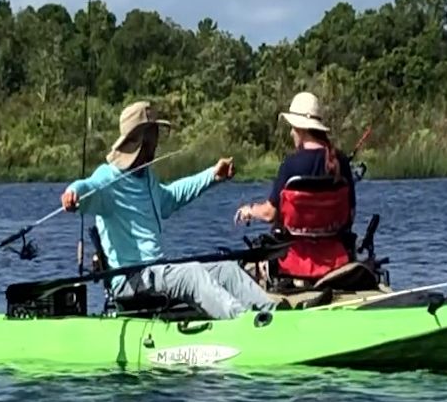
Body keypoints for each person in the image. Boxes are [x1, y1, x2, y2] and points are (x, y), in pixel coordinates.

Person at [60, 100, 282, 319]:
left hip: (156, 273)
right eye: (154, 134)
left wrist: (212, 176)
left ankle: (276, 317)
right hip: (132, 281)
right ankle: (246, 323)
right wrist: (73, 193)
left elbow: (171, 197)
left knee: (227, 269)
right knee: (192, 274)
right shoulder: (108, 178)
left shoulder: (146, 178)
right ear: (142, 140)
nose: (157, 141)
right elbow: (87, 187)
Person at [234, 91, 357, 280]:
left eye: (292, 128)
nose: (291, 133)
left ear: (301, 129)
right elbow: (350, 215)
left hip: (293, 260)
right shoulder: (340, 161)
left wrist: (249, 210)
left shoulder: (291, 165)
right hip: (337, 260)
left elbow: (269, 214)